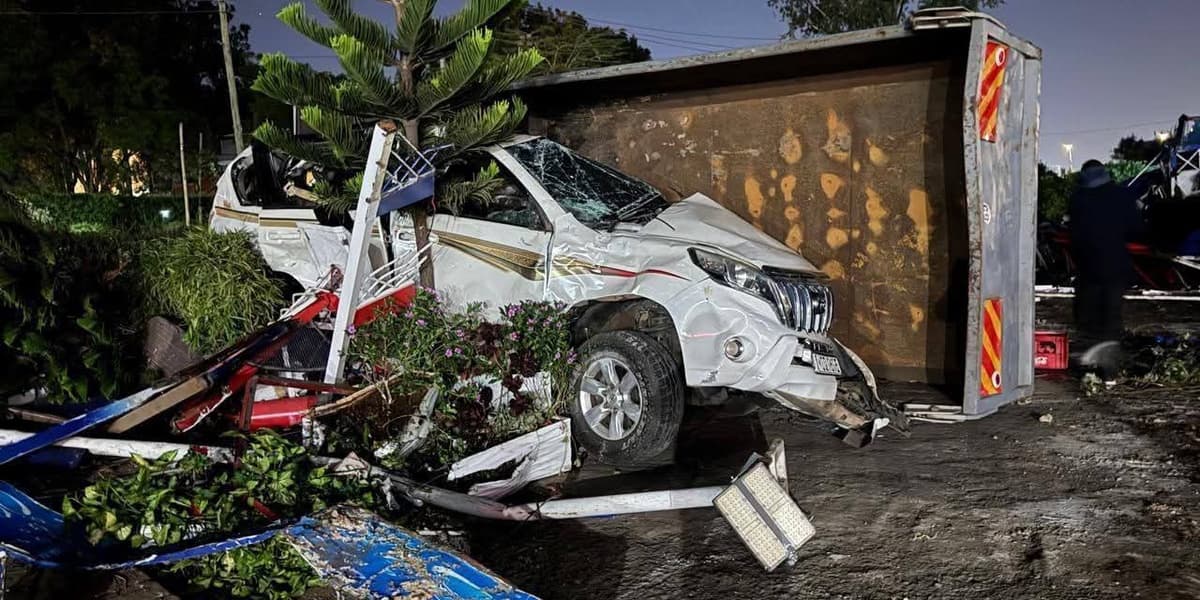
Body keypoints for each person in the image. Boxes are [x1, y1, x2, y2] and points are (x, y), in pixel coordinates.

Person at [1068, 159, 1143, 378]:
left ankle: (1088, 364)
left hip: (1087, 268)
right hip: (1115, 266)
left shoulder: (1078, 198)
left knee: (1087, 317)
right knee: (1111, 316)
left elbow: (1074, 234)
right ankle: (1109, 369)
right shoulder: (1122, 195)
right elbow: (1136, 229)